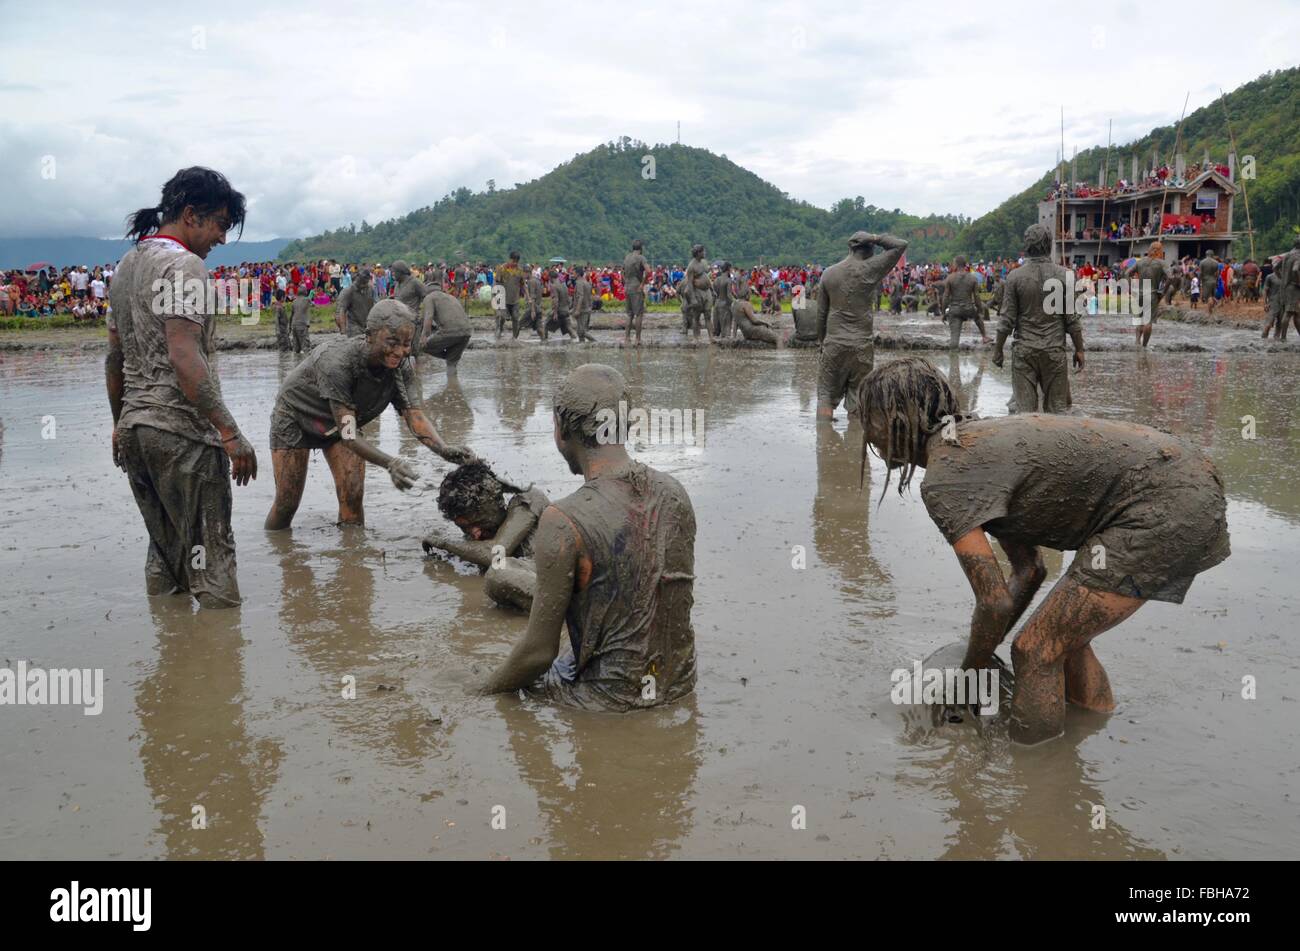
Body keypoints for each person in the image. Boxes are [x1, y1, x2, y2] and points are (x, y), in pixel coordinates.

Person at [856, 356, 1230, 745]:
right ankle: (1092, 730)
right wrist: (982, 651)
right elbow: (1029, 569)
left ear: (897, 419)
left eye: (869, 419)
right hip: (1182, 475)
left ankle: (1040, 775)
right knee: (1065, 636)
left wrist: (968, 679)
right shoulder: (974, 445)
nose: (865, 433)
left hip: (1165, 501)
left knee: (1036, 650)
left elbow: (994, 603)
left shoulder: (946, 477)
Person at [480, 364, 697, 710]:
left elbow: (537, 654)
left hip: (606, 703)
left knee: (497, 686)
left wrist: (476, 692)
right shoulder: (675, 493)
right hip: (681, 685)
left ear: (562, 429)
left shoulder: (562, 520)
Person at [105, 166, 257, 609]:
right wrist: (230, 432)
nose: (222, 239)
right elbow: (184, 355)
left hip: (137, 431)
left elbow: (115, 359)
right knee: (211, 556)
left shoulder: (127, 266)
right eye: (220, 225)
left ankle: (177, 658)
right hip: (181, 432)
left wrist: (119, 425)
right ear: (191, 215)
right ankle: (219, 661)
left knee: (166, 552)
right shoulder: (183, 265)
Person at [263, 300, 475, 530]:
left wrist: (443, 449)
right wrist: (390, 463)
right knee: (287, 503)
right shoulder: (337, 362)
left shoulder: (400, 367)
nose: (399, 351)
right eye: (392, 342)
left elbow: (414, 415)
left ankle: (352, 557)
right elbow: (350, 435)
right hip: (296, 417)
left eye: (406, 343)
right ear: (369, 336)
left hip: (342, 424)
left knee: (352, 497)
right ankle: (278, 546)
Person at [422, 462, 550, 611]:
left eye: (477, 523)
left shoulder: (528, 500)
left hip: (561, 586)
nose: (475, 533)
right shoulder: (478, 538)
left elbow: (494, 554)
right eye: (463, 527)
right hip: (538, 591)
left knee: (499, 575)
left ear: (492, 503)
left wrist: (444, 543)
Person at [815, 231, 908, 420]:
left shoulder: (829, 273)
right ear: (870, 249)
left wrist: (821, 342)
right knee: (858, 396)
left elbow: (821, 314)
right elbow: (900, 245)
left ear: (850, 247)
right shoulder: (870, 269)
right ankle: (854, 444)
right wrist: (875, 237)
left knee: (825, 395)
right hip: (861, 345)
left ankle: (825, 443)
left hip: (834, 342)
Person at [992, 224, 1083, 413]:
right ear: (1049, 245)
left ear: (1027, 246)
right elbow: (1072, 319)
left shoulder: (1014, 277)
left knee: (1025, 413)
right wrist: (1079, 349)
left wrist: (998, 350)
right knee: (1058, 411)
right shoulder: (1065, 275)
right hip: (1054, 352)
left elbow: (1006, 319)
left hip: (1025, 352)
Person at [939, 255, 989, 349]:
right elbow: (977, 296)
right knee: (977, 318)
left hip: (955, 310)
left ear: (956, 264)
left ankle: (953, 358)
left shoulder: (950, 278)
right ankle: (984, 337)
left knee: (954, 340)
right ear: (965, 265)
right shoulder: (972, 278)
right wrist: (979, 310)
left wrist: (943, 313)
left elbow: (945, 297)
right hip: (969, 308)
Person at [419, 286, 473, 373]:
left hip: (450, 331)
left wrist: (424, 337)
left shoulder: (429, 297)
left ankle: (448, 356)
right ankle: (452, 382)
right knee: (451, 364)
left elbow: (428, 317)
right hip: (467, 332)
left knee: (422, 347)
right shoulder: (452, 297)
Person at [1126, 242, 1170, 348]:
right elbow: (1171, 277)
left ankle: (1137, 342)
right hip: (1152, 293)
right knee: (1148, 321)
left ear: (1149, 250)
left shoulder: (1141, 261)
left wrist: (1131, 289)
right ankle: (1144, 347)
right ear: (1159, 251)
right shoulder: (1161, 263)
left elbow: (1127, 273)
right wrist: (1163, 292)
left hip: (1139, 293)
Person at [1264, 236, 1300, 341]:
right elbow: (1295, 269)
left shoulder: (1287, 255)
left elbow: (1275, 267)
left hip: (1285, 287)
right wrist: (1298, 281)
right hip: (1294, 287)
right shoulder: (1298, 255)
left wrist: (1283, 278)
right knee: (1289, 313)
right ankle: (1283, 338)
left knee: (1296, 313)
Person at [622, 240, 650, 345]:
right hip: (636, 287)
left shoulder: (627, 257)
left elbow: (622, 272)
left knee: (629, 314)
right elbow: (648, 271)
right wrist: (642, 284)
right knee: (639, 314)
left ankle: (627, 338)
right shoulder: (641, 258)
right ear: (641, 248)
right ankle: (638, 339)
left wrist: (626, 282)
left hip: (628, 286)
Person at [494, 251, 526, 339]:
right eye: (513, 261)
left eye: (517, 261)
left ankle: (514, 338)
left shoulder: (520, 270)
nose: (515, 263)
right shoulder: (502, 268)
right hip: (504, 299)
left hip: (515, 299)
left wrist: (528, 296)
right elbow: (497, 282)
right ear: (510, 259)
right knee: (502, 317)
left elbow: (523, 284)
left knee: (515, 318)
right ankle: (500, 329)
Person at [335, 268, 373, 337]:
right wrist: (343, 331)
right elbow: (340, 311)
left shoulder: (370, 289)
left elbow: (375, 306)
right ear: (357, 277)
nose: (363, 285)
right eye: (362, 281)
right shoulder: (348, 292)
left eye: (365, 282)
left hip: (368, 326)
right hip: (354, 327)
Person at [572, 266, 596, 342]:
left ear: (578, 274)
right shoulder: (586, 282)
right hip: (587, 309)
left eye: (573, 273)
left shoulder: (579, 283)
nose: (572, 275)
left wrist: (577, 310)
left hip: (582, 310)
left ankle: (596, 342)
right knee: (580, 332)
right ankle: (582, 345)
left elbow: (580, 297)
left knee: (582, 331)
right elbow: (589, 297)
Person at [290, 285, 313, 354]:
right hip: (302, 325)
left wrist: (289, 327)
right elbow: (311, 297)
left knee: (296, 349)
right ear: (305, 292)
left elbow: (291, 315)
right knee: (306, 348)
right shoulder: (307, 300)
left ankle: (296, 363)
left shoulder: (294, 302)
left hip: (294, 325)